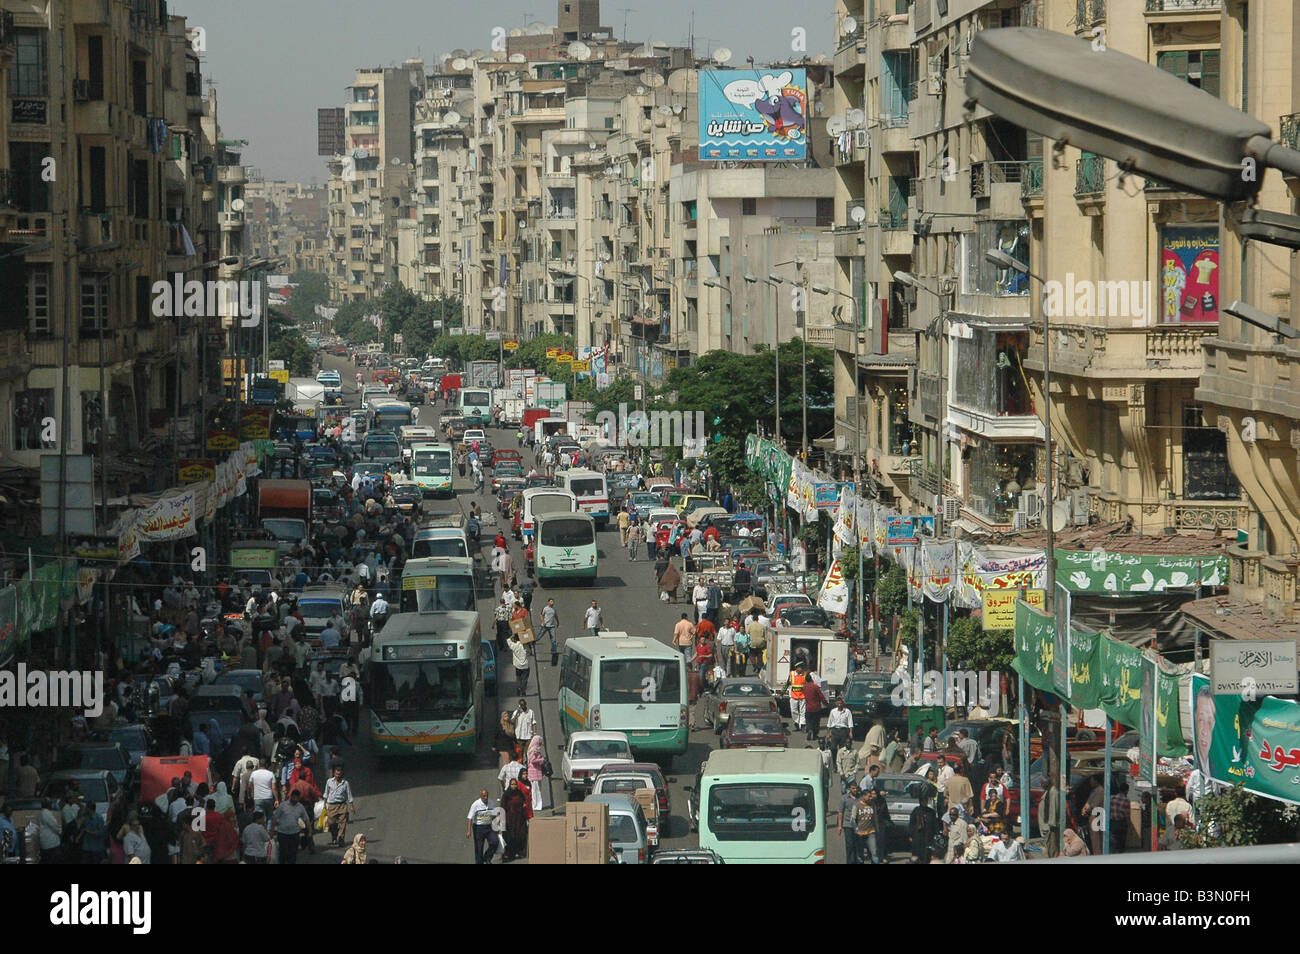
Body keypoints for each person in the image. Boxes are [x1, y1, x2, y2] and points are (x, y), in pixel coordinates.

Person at [322, 766, 356, 848]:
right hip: (331, 805)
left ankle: (341, 839)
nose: (338, 775)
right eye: (336, 773)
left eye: (339, 774)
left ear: (341, 774)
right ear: (334, 773)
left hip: (342, 805)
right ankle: (334, 836)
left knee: (343, 823)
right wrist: (324, 805)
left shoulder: (345, 783)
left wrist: (352, 806)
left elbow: (349, 795)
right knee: (331, 823)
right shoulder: (329, 782)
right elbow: (326, 794)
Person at [908, 792, 940, 865]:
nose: (925, 802)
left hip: (928, 837)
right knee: (917, 855)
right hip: (917, 837)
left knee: (927, 855)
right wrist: (910, 835)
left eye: (926, 801)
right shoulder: (916, 811)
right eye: (923, 801)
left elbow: (935, 824)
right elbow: (911, 824)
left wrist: (936, 834)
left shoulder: (931, 812)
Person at [467, 788, 497, 864]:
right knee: (479, 848)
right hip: (478, 828)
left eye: (486, 796)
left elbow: (493, 815)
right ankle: (479, 862)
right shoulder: (475, 804)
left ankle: (487, 857)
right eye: (483, 796)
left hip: (489, 827)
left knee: (495, 842)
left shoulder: (491, 803)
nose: (485, 797)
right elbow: (470, 818)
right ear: (480, 796)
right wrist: (469, 831)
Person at [838, 782, 862, 864]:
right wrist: (839, 826)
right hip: (847, 824)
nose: (855, 790)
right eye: (853, 788)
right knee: (849, 844)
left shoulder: (860, 798)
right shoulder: (844, 798)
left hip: (858, 825)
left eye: (856, 788)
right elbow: (840, 812)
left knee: (857, 845)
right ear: (849, 789)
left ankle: (857, 861)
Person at [803, 670, 828, 744]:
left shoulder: (804, 687)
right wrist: (826, 704)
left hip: (808, 708)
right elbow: (821, 696)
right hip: (816, 707)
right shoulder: (815, 687)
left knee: (809, 721)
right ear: (811, 679)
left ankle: (809, 729)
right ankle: (814, 734)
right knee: (816, 722)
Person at [1039, 775, 1061, 859]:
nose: (1041, 785)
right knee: (1048, 845)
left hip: (1049, 825)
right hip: (1045, 824)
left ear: (1046, 783)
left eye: (1042, 783)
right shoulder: (1048, 791)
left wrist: (1052, 823)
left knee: (1052, 845)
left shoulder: (1053, 791)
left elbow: (1053, 808)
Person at [826, 698, 854, 763]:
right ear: (836, 704)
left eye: (841, 703)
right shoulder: (833, 711)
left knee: (842, 749)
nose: (839, 705)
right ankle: (834, 763)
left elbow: (850, 723)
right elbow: (829, 723)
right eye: (838, 703)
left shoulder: (847, 711)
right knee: (833, 748)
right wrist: (828, 733)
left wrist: (850, 732)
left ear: (843, 704)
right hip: (835, 731)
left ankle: (841, 763)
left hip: (843, 731)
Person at [787, 664, 808, 737]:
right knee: (794, 711)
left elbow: (808, 684)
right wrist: (782, 693)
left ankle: (803, 725)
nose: (802, 669)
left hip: (803, 696)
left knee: (803, 711)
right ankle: (796, 723)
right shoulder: (792, 674)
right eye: (800, 668)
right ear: (796, 668)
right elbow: (787, 683)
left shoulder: (805, 674)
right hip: (793, 696)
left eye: (802, 668)